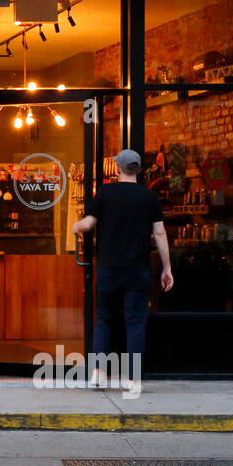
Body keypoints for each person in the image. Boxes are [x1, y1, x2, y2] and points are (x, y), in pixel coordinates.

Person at [72, 149, 173, 391]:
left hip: (108, 268)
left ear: (118, 168)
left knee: (104, 318)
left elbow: (88, 223)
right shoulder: (149, 197)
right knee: (135, 322)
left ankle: (97, 372)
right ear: (138, 170)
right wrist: (167, 267)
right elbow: (159, 233)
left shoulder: (105, 192)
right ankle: (134, 379)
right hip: (137, 269)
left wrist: (76, 226)